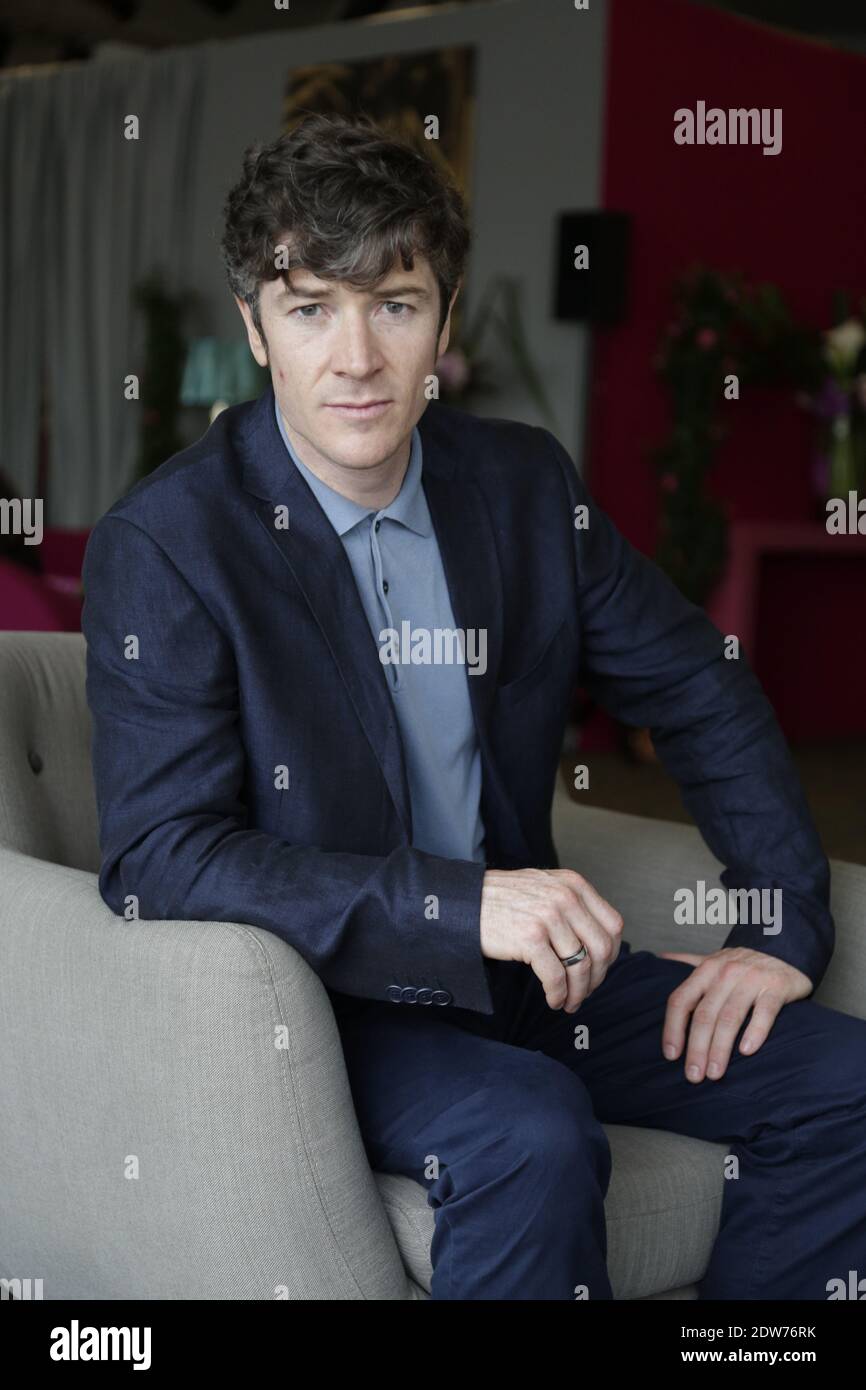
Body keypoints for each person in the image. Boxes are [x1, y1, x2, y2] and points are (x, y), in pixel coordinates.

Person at [82, 112, 866, 1301]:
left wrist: (775, 924)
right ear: (254, 329)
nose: (355, 358)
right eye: (309, 310)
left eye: (393, 304)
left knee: (842, 1078)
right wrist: (459, 904)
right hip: (328, 1005)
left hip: (536, 977)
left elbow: (696, 686)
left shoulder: (518, 484)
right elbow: (160, 857)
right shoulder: (173, 544)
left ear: (443, 320)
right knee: (531, 1131)